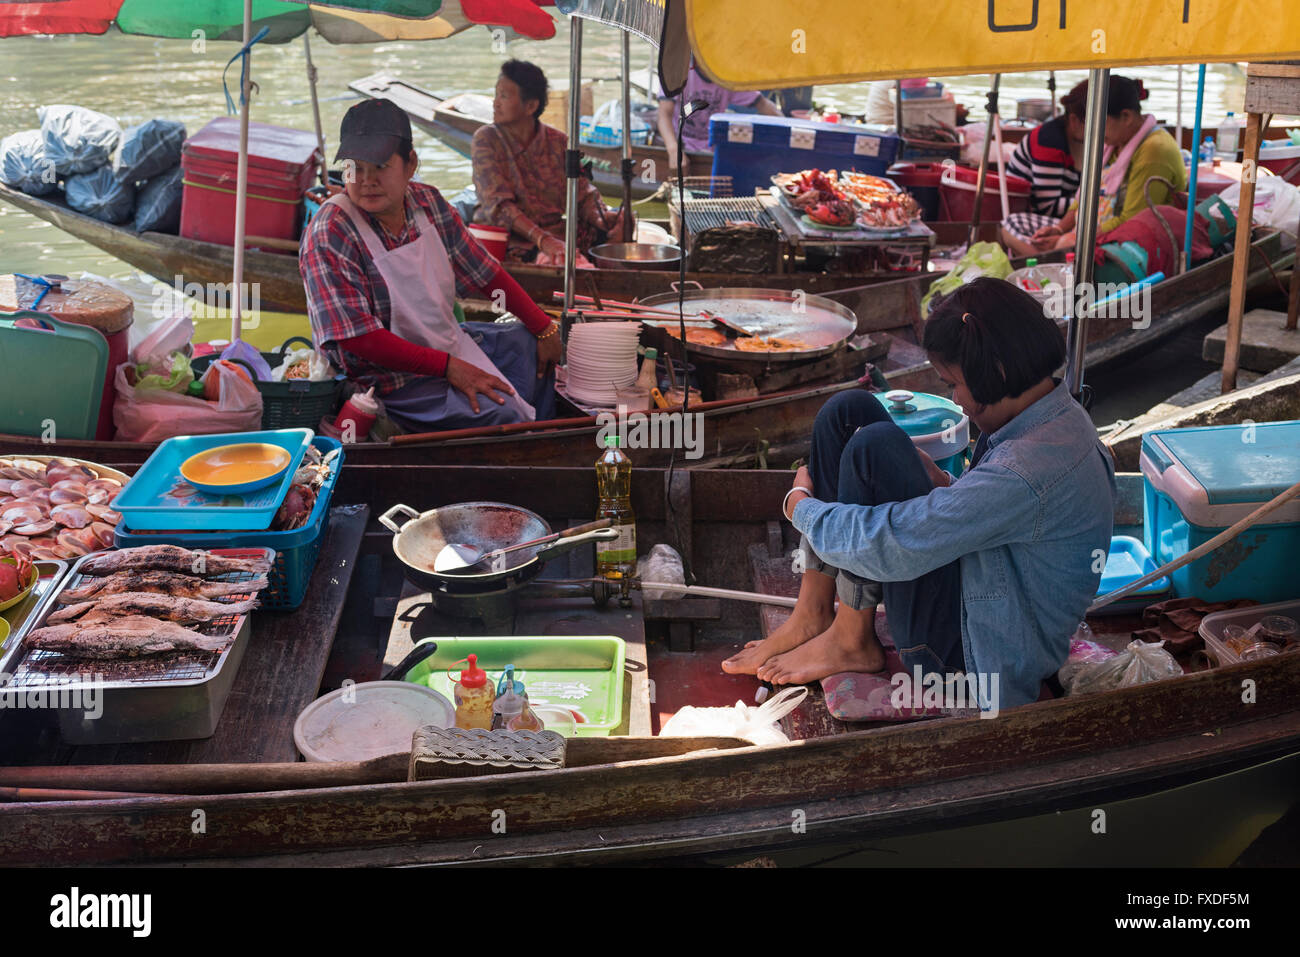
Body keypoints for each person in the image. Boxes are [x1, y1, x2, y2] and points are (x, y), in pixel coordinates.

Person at [721, 278, 1116, 711]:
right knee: (849, 413)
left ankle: (852, 638)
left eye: (953, 384)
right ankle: (813, 614)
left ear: (997, 373)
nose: (956, 399)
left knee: (874, 448)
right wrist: (946, 484)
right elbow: (994, 515)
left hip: (966, 660)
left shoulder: (1026, 468)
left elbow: (891, 546)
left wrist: (801, 508)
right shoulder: (1051, 414)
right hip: (983, 582)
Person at [301, 98, 560, 432]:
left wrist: (543, 326)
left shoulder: (428, 203)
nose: (366, 180)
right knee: (503, 414)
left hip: (444, 343)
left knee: (529, 345)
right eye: (355, 167)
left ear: (410, 164)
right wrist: (449, 367)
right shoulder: (331, 229)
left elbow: (485, 272)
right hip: (386, 381)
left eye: (379, 166)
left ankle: (547, 439)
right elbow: (359, 339)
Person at [1002, 76, 1186, 258]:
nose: (1093, 130)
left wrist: (1073, 237)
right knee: (1010, 225)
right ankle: (1054, 260)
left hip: (1134, 243)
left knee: (1063, 244)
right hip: (1092, 228)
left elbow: (1132, 221)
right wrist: (1059, 229)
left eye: (1099, 122)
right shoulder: (1114, 142)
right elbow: (1082, 199)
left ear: (1126, 117)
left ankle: (1053, 263)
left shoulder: (1153, 150)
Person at [472, 59, 629, 266]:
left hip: (555, 236)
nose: (495, 102)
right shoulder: (486, 139)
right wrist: (543, 240)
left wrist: (600, 216)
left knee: (624, 222)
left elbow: (582, 194)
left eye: (504, 96)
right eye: (496, 94)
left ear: (531, 106)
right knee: (555, 260)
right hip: (508, 239)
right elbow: (500, 208)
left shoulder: (559, 142)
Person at [656, 60, 782, 178]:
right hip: (681, 144)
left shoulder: (727, 77)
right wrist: (673, 150)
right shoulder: (677, 70)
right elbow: (664, 115)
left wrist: (791, 125)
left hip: (713, 147)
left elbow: (762, 104)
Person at [999, 102, 1085, 244]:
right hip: (1036, 212)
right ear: (1074, 120)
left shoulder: (1080, 142)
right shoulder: (1049, 141)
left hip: (1067, 216)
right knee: (1010, 226)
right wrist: (1094, 204)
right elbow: (1047, 205)